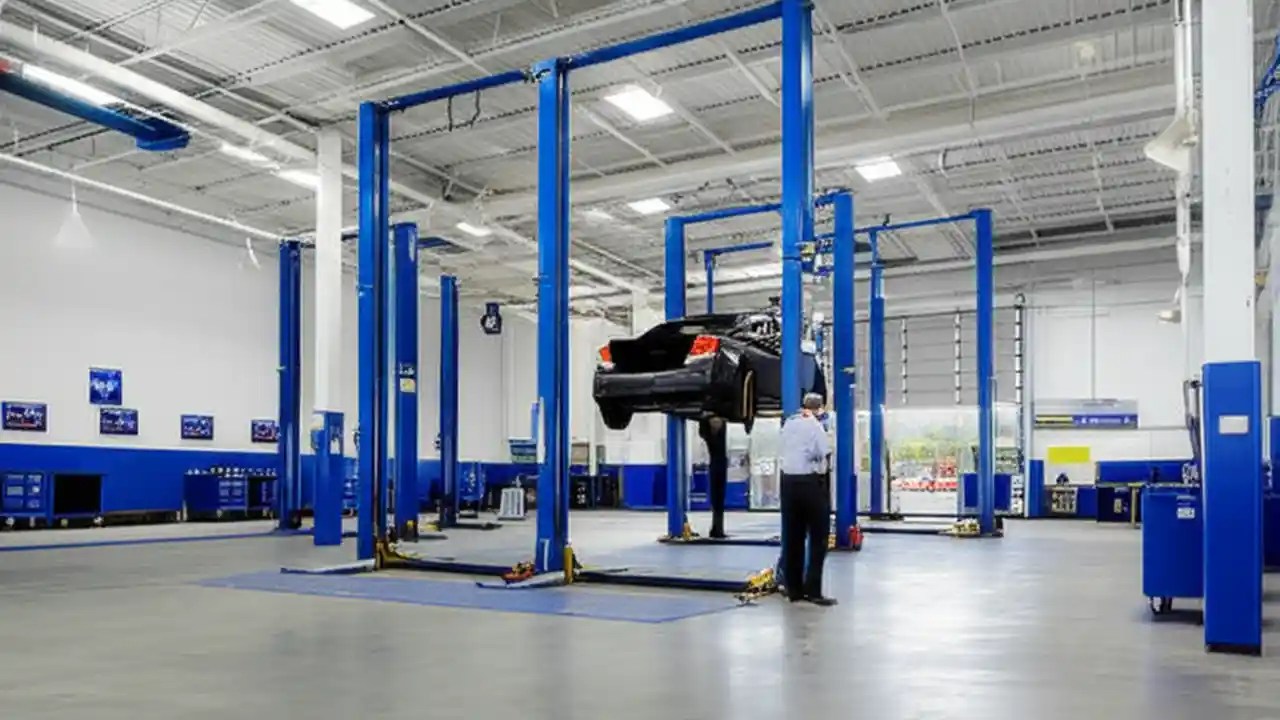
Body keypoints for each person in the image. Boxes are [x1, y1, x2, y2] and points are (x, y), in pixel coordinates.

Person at [778, 392, 836, 606]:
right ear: (820, 408)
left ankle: (794, 590)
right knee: (819, 538)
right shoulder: (814, 425)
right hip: (810, 484)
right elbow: (823, 451)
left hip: (787, 484)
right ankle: (813, 591)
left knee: (793, 538)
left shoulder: (789, 423)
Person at [698, 416, 728, 539]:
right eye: (714, 422)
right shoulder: (711, 437)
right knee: (717, 499)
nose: (717, 423)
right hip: (716, 466)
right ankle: (717, 529)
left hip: (719, 464)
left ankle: (717, 528)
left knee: (719, 500)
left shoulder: (716, 433)